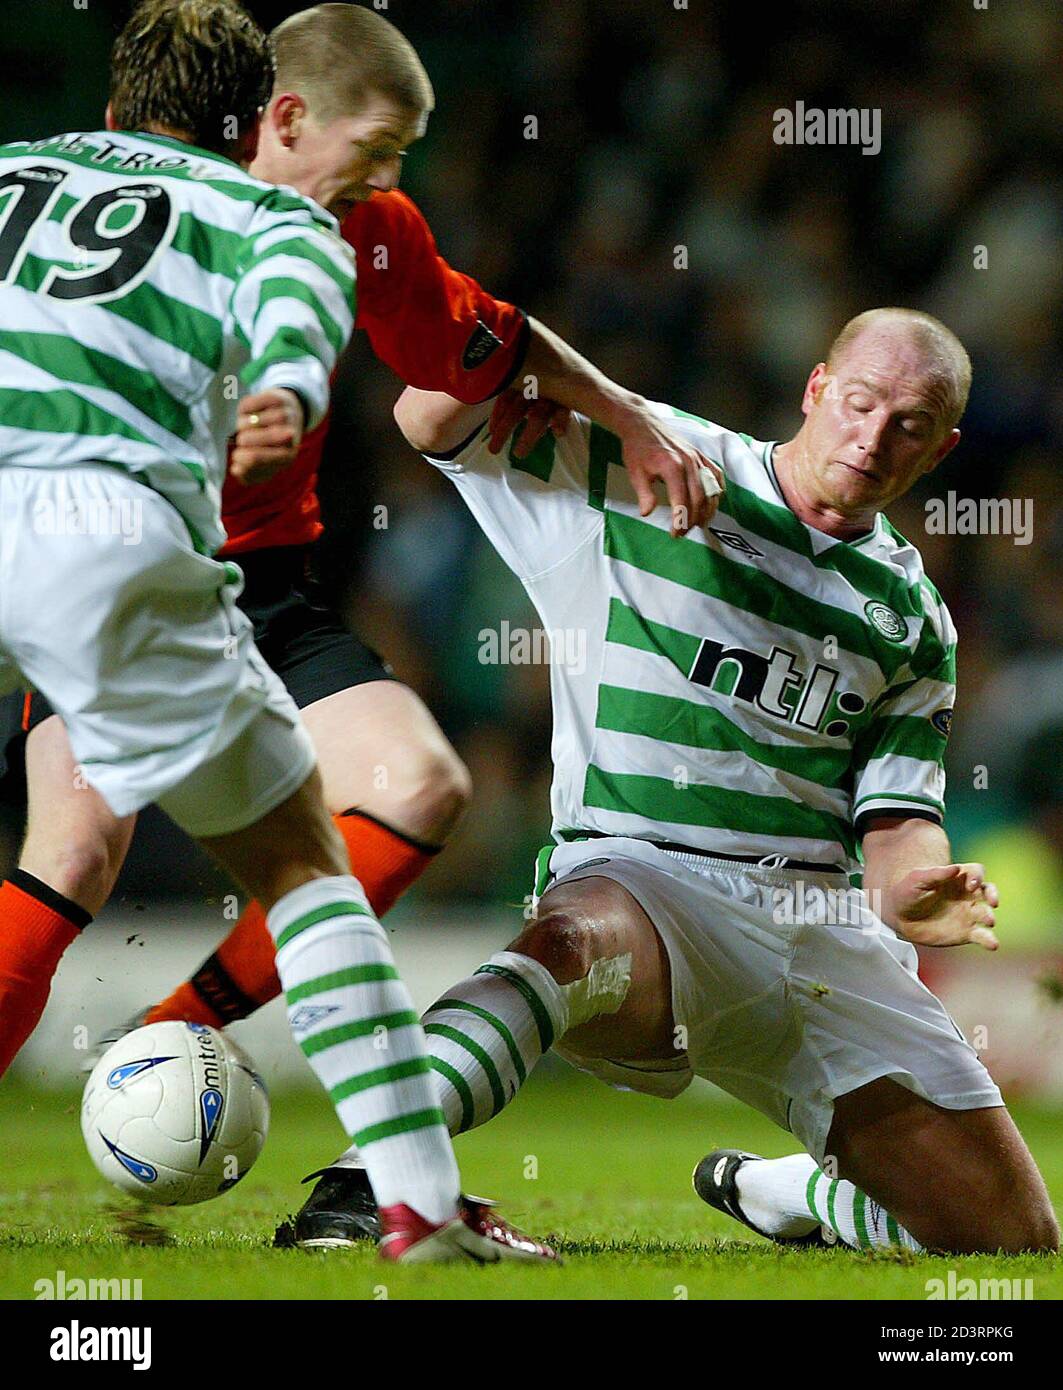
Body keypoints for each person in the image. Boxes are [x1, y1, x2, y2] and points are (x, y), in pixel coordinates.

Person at [0, 2, 721, 1074]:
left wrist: (623, 412)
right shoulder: (166, 207)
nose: (385, 179)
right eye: (374, 151)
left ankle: (164, 1043)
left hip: (264, 589)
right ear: (283, 118)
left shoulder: (369, 231)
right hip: (122, 567)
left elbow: (484, 336)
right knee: (75, 852)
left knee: (417, 784)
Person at [292, 306, 1058, 1255]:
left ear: (938, 451)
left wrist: (917, 887)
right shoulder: (648, 458)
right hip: (649, 881)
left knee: (1011, 1243)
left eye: (906, 426)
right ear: (816, 389)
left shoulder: (912, 616)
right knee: (567, 944)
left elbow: (898, 814)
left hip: (821, 931)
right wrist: (545, 363)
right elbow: (426, 419)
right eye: (859, 404)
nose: (871, 439)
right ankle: (371, 1179)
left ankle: (798, 1199)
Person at [0, 0, 556, 1264]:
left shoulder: (15, 169)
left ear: (111, 107)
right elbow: (303, 324)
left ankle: (172, 1034)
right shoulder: (265, 213)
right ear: (256, 121)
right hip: (108, 535)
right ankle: (416, 1208)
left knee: (67, 856)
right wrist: (288, 392)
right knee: (304, 862)